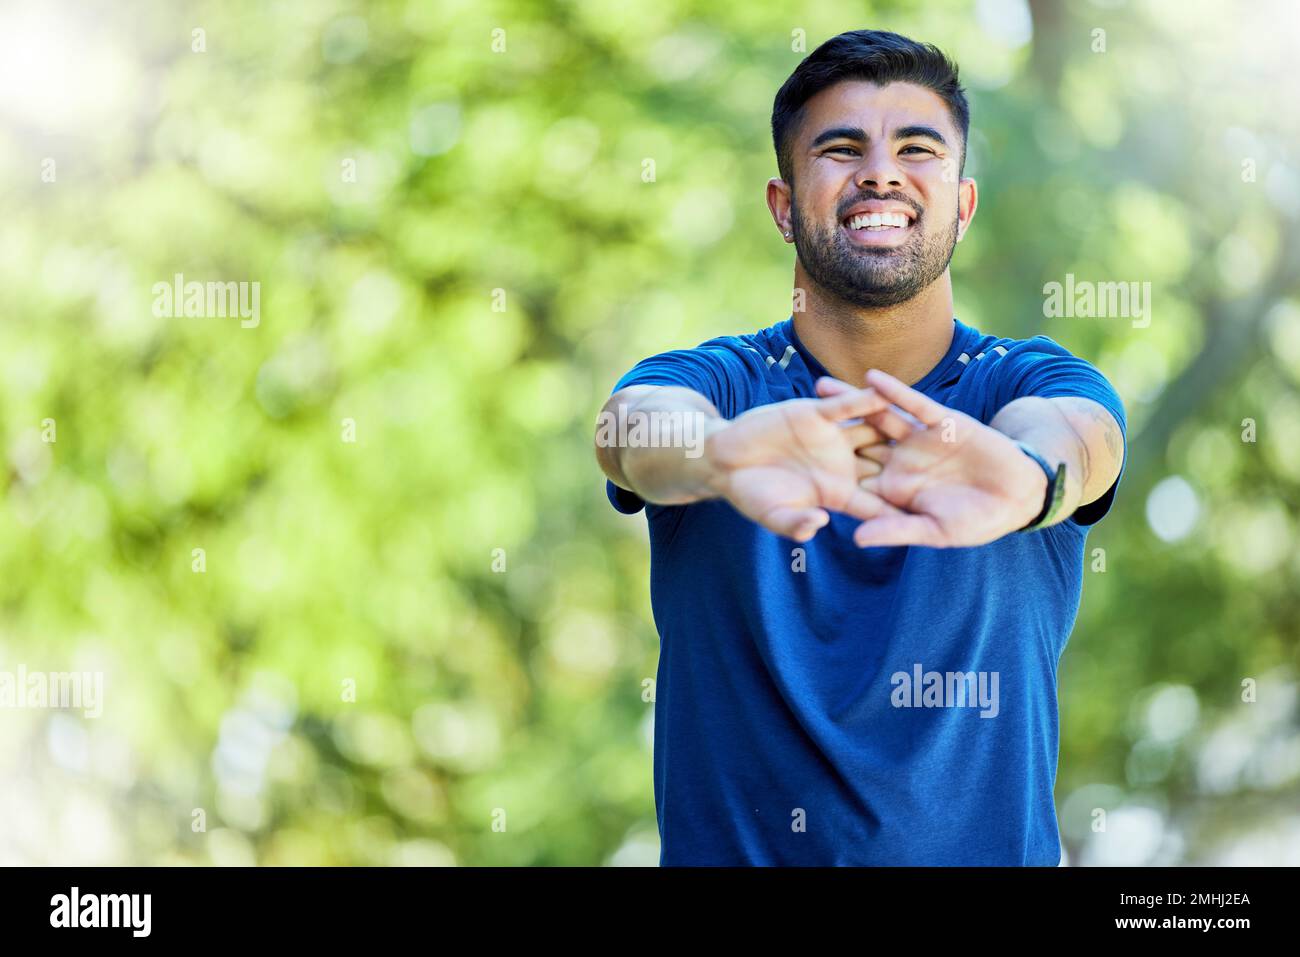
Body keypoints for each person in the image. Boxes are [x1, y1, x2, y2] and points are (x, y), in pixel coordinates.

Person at [593, 29, 1127, 865]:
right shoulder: (724, 384)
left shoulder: (1025, 385)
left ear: (963, 203)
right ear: (782, 204)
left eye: (918, 149)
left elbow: (1082, 439)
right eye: (841, 149)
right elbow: (629, 427)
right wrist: (719, 456)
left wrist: (1029, 483)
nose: (880, 171)